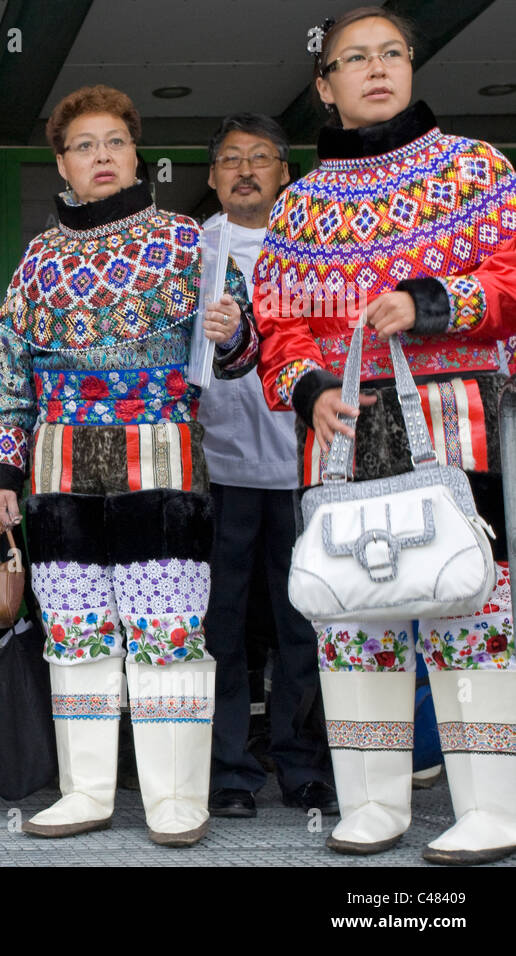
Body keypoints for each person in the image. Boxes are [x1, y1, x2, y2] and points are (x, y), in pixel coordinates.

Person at [255, 7, 516, 863]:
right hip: (344, 432)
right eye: (354, 60)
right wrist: (309, 389)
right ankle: (373, 802)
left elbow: (511, 275)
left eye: (393, 54)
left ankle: (491, 806)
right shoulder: (296, 207)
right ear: (325, 87)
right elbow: (277, 326)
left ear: (411, 65)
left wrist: (432, 301)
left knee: (469, 607)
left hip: (457, 420)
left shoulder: (476, 169)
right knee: (351, 617)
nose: (378, 69)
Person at [0, 85, 258, 846]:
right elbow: (11, 373)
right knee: (75, 633)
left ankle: (175, 798)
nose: (99, 157)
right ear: (61, 165)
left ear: (137, 153)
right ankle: (86, 791)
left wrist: (233, 333)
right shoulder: (38, 258)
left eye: (113, 141)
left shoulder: (189, 242)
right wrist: (0, 475)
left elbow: (237, 358)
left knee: (168, 629)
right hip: (59, 468)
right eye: (82, 146)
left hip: (162, 460)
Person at [198, 113, 337, 819]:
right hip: (218, 469)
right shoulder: (192, 249)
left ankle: (302, 766)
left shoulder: (316, 243)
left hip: (309, 465)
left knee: (304, 622)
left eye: (260, 158)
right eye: (229, 160)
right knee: (219, 627)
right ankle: (228, 771)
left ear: (286, 171)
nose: (245, 169)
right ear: (213, 176)